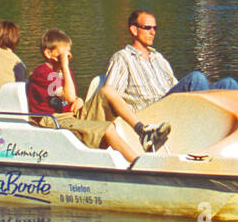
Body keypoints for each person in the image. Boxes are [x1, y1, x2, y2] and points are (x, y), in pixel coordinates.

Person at [27, 30, 168, 160]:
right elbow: (68, 96)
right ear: (48, 53)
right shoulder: (43, 73)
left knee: (108, 91)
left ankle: (142, 131)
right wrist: (65, 67)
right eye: (63, 53)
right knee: (107, 128)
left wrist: (79, 100)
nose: (68, 57)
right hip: (52, 121)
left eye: (68, 53)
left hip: (70, 116)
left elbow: (71, 98)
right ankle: (138, 164)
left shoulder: (63, 72)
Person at [83, 10, 238, 123]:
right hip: (150, 113)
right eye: (147, 28)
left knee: (229, 83)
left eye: (155, 28)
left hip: (171, 105)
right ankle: (212, 126)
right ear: (134, 30)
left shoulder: (159, 58)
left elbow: (175, 86)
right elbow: (111, 97)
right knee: (196, 78)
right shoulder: (122, 58)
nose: (153, 32)